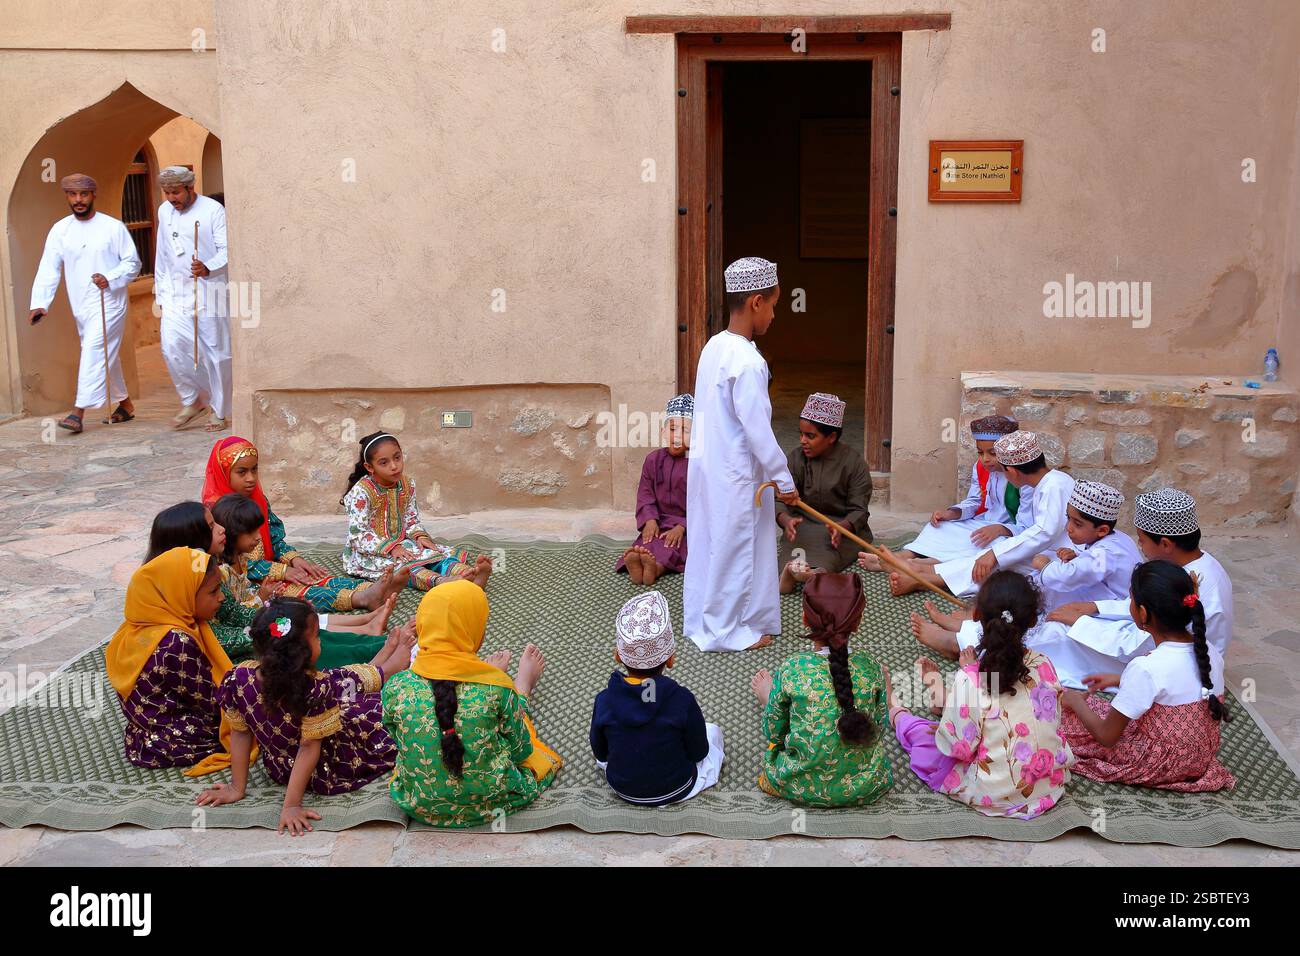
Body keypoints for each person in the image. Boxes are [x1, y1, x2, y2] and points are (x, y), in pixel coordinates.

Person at [196, 598, 415, 835]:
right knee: (375, 709)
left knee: (341, 685)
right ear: (300, 652)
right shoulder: (315, 689)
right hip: (327, 765)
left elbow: (240, 733)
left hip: (281, 768)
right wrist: (291, 806)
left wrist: (236, 787)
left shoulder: (238, 678)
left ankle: (382, 662)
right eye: (317, 637)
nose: (320, 641)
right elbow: (309, 747)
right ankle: (388, 667)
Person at [886, 570, 1073, 819]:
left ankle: (895, 708)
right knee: (977, 713)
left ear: (975, 616)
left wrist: (968, 676)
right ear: (1031, 621)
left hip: (994, 794)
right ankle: (944, 701)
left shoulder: (971, 680)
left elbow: (955, 749)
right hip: (1048, 785)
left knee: (924, 739)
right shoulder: (1044, 664)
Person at [684, 257, 799, 652]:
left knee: (713, 543)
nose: (774, 315)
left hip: (710, 470)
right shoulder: (749, 361)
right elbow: (758, 432)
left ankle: (713, 618)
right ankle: (725, 631)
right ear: (755, 301)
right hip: (737, 476)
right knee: (736, 550)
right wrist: (785, 483)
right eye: (773, 305)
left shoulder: (714, 347)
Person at [382, 581, 562, 828]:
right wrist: (510, 694)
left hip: (420, 804)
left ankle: (506, 687)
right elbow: (521, 751)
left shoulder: (396, 686)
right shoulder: (497, 688)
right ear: (474, 629)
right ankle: (523, 689)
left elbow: (398, 740)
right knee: (537, 756)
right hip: (495, 801)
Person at [1026, 488, 1234, 689]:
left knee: (1060, 634)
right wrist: (1095, 607)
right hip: (1158, 646)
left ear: (1165, 544)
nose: (1140, 546)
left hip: (1180, 667)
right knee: (1065, 623)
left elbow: (1141, 644)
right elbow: (1147, 607)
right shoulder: (1199, 562)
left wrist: (1082, 624)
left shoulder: (1193, 583)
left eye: (1142, 541)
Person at [1058, 560, 1234, 792]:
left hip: (1160, 763)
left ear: (1142, 613)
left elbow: (1107, 737)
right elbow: (1176, 684)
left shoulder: (1145, 667)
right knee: (1098, 707)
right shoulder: (1208, 650)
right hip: (1199, 758)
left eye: (1130, 600)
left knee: (1063, 719)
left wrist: (1075, 702)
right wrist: (1121, 680)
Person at [202, 435, 405, 612]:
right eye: (242, 472)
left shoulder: (258, 500)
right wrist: (283, 572)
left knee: (311, 576)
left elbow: (275, 538)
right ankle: (361, 598)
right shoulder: (218, 514)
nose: (251, 478)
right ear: (223, 472)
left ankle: (371, 588)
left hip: (272, 568)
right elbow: (232, 561)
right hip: (246, 583)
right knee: (297, 592)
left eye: (254, 470)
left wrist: (294, 560)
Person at [751, 573, 892, 807]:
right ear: (858, 622)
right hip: (865, 786)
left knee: (776, 742)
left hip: (796, 785)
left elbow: (773, 733)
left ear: (805, 618)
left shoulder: (793, 668)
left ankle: (770, 698)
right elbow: (877, 729)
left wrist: (770, 701)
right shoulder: (870, 668)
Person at [211, 493, 396, 668]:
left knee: (304, 617)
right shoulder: (219, 575)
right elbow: (238, 618)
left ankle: (369, 626)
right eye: (251, 533)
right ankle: (372, 638)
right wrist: (269, 605)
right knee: (303, 629)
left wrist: (269, 596)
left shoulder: (239, 558)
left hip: (260, 618)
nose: (259, 537)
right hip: (260, 632)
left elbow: (241, 607)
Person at [885, 431, 1073, 599]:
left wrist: (995, 554)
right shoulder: (1049, 483)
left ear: (1013, 472)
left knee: (999, 563)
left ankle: (922, 576)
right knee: (991, 556)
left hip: (1061, 558)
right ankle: (921, 570)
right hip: (1042, 550)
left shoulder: (1054, 486)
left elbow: (1044, 532)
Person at [105, 546, 242, 774]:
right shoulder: (175, 642)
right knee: (242, 723)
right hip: (169, 737)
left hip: (143, 728)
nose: (221, 597)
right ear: (184, 593)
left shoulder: (139, 625)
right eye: (213, 591)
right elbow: (209, 701)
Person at [28, 173, 141, 433]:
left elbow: (132, 263)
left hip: (109, 300)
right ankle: (126, 404)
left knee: (94, 349)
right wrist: (40, 302)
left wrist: (110, 277)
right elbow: (49, 267)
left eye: (84, 194)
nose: (78, 200)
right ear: (67, 196)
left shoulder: (113, 227)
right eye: (72, 194)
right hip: (80, 303)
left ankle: (78, 412)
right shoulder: (60, 229)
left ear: (93, 195)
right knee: (103, 354)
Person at [590, 591, 724, 806]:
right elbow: (699, 752)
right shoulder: (682, 700)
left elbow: (601, 753)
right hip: (678, 787)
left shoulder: (604, 700)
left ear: (618, 655)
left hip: (623, 788)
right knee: (712, 731)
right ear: (670, 659)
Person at [862, 414, 1025, 568]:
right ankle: (904, 556)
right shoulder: (980, 467)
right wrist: (951, 514)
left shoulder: (1021, 476)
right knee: (941, 527)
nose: (985, 459)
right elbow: (975, 502)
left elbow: (1030, 528)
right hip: (983, 523)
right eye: (980, 453)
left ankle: (912, 566)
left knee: (994, 547)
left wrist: (999, 529)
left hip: (1008, 532)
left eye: (993, 453)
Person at [341, 431, 493, 590]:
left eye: (397, 457)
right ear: (369, 467)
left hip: (403, 544)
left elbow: (411, 519)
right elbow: (357, 535)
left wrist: (419, 536)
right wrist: (391, 547)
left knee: (434, 556)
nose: (394, 466)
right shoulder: (361, 492)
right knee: (407, 569)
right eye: (384, 462)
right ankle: (439, 582)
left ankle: (470, 574)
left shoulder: (407, 485)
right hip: (372, 552)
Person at [153, 165, 230, 431]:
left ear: (190, 188)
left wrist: (208, 267)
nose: (171, 198)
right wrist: (160, 291)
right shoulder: (164, 211)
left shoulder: (212, 210)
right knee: (171, 346)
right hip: (175, 292)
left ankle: (219, 410)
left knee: (215, 351)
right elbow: (162, 254)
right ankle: (193, 399)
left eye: (176, 192)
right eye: (167, 193)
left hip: (210, 289)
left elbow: (227, 249)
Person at [778, 392, 873, 593]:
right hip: (802, 525)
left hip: (840, 529)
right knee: (794, 553)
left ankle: (815, 574)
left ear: (831, 437)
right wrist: (786, 520)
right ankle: (790, 573)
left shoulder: (854, 464)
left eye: (810, 436)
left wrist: (842, 527)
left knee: (829, 555)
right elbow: (779, 496)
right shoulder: (795, 458)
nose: (803, 440)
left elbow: (859, 511)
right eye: (801, 434)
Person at [1029, 480, 1140, 611]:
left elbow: (1067, 577)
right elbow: (1096, 565)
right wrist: (1078, 556)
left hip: (1118, 608)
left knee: (1050, 588)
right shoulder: (1119, 537)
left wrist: (1044, 565)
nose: (1068, 528)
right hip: (1114, 597)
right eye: (1068, 518)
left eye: (1078, 524)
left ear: (1102, 530)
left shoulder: (1106, 552)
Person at [618, 394, 691, 586]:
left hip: (687, 525)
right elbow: (645, 493)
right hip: (658, 520)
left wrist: (682, 526)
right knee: (647, 543)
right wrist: (650, 520)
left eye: (685, 431)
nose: (677, 436)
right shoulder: (653, 460)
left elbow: (703, 502)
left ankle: (655, 569)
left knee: (673, 546)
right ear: (663, 431)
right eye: (673, 429)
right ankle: (639, 566)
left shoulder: (698, 465)